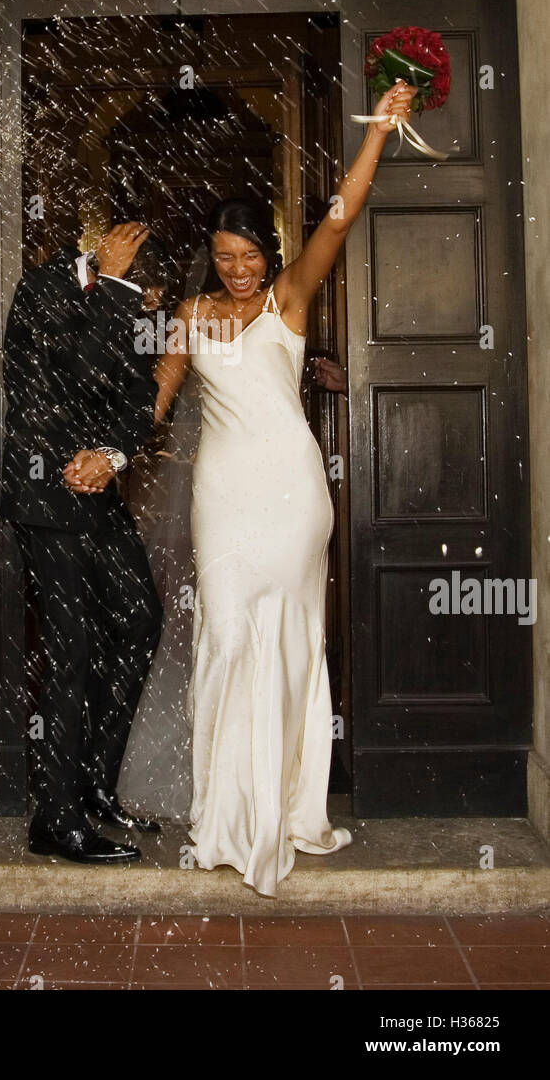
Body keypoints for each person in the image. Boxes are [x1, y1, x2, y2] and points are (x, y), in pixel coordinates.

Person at [153, 79, 417, 896]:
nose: (239, 271)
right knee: (229, 636)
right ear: (211, 257)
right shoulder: (188, 317)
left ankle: (285, 809)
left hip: (293, 498)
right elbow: (152, 407)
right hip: (222, 496)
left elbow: (342, 213)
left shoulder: (289, 299)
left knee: (290, 641)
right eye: (225, 258)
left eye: (250, 257)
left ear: (269, 253)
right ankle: (228, 815)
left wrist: (379, 129)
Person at [0, 223, 171, 864]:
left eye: (149, 297)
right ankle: (56, 818)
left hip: (98, 493)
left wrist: (112, 453)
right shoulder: (43, 286)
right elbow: (48, 383)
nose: (145, 307)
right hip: (46, 490)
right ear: (105, 254)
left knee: (139, 621)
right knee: (69, 648)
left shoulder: (129, 307)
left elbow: (138, 402)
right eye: (140, 290)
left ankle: (95, 782)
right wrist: (115, 291)